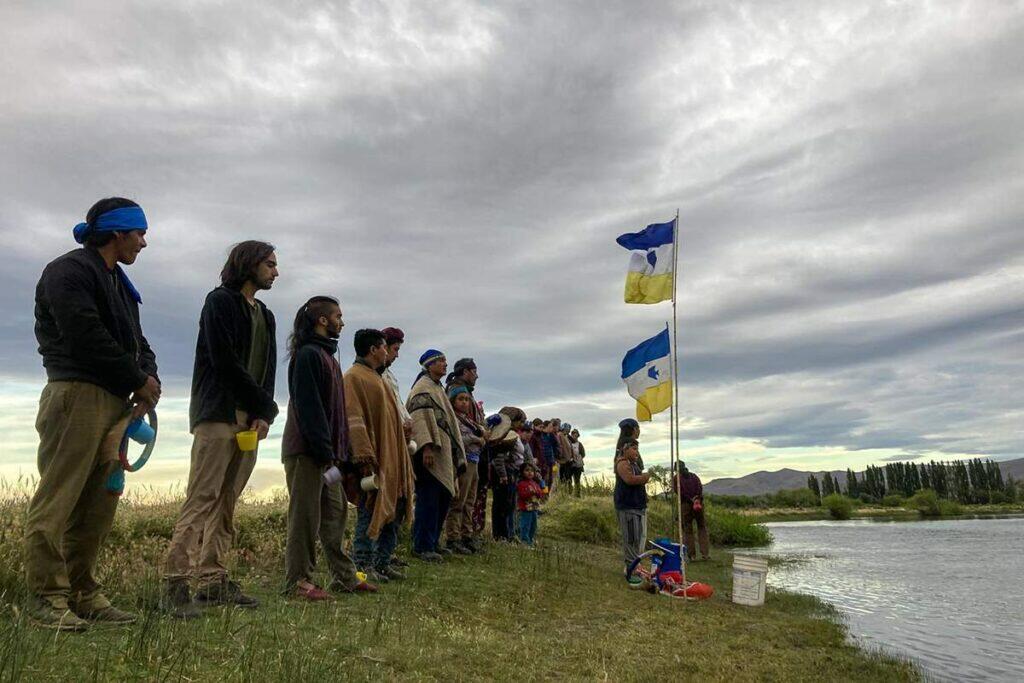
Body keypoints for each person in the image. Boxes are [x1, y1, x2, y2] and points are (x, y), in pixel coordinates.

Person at [26, 197, 159, 630]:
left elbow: (138, 342)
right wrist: (137, 379)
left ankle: (83, 592)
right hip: (77, 395)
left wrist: (148, 382)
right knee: (60, 496)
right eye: (138, 233)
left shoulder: (119, 283)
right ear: (118, 233)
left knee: (100, 502)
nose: (143, 241)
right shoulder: (69, 272)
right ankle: (47, 596)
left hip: (114, 400)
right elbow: (85, 335)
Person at [162, 241, 280, 617]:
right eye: (270, 264)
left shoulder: (265, 314)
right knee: (203, 496)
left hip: (250, 417)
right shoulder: (219, 302)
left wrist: (264, 412)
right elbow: (223, 359)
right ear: (249, 264)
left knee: (228, 499)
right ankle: (174, 583)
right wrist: (263, 403)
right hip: (217, 413)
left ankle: (213, 580)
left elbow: (268, 369)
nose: (276, 272)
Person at [279, 300, 377, 600]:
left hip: (327, 457)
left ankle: (344, 577)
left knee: (335, 514)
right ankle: (298, 582)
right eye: (338, 316)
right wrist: (325, 451)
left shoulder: (327, 357)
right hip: (307, 455)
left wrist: (340, 455)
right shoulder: (308, 356)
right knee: (305, 516)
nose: (342, 322)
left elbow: (336, 414)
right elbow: (309, 410)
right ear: (322, 320)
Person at [346, 329, 415, 582]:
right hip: (374, 459)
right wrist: (364, 458)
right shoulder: (354, 377)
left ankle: (383, 562)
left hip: (393, 456)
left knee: (394, 509)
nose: (387, 352)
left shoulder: (378, 378)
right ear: (373, 349)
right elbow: (354, 419)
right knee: (370, 509)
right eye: (385, 347)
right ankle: (362, 565)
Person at [407, 350, 466, 561]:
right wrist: (427, 447)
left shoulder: (437, 387)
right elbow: (419, 419)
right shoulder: (422, 387)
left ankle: (432, 542)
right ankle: (422, 545)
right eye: (440, 361)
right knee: (429, 499)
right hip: (430, 453)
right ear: (429, 364)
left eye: (445, 361)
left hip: (443, 452)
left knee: (442, 498)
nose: (445, 364)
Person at [445, 385, 485, 554]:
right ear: (453, 401)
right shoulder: (452, 419)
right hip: (463, 462)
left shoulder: (469, 420)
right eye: (460, 399)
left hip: (474, 462)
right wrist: (476, 439)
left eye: (467, 399)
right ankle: (453, 537)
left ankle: (466, 534)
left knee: (470, 501)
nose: (464, 402)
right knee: (458, 501)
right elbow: (458, 438)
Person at [614, 439, 650, 586]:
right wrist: (645, 477)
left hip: (636, 506)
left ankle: (635, 566)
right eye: (634, 449)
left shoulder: (633, 464)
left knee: (636, 539)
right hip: (627, 507)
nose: (637, 452)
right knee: (630, 539)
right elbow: (629, 480)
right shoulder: (623, 464)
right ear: (626, 449)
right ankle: (630, 569)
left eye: (637, 449)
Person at [484, 413, 517, 541]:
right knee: (501, 506)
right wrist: (503, 475)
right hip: (501, 476)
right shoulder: (501, 438)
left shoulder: (509, 435)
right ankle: (500, 534)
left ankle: (505, 533)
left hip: (507, 473)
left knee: (507, 505)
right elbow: (498, 458)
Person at [674, 461, 710, 561]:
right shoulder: (694, 476)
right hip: (698, 504)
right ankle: (705, 554)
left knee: (688, 530)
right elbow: (700, 488)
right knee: (702, 528)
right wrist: (697, 499)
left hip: (686, 505)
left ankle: (692, 556)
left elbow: (679, 492)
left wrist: (691, 500)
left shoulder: (676, 478)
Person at [380, 327, 412, 426]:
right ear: (385, 348)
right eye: (395, 349)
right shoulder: (374, 375)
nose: (397, 355)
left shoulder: (390, 376)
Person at [516, 463, 543, 547]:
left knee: (533, 525)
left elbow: (540, 493)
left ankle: (530, 540)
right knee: (525, 525)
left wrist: (538, 493)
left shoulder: (535, 483)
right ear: (522, 472)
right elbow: (522, 495)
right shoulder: (521, 484)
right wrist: (530, 492)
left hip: (534, 508)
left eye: (531, 471)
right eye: (527, 470)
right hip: (526, 508)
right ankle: (524, 541)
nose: (530, 472)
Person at [567, 428, 586, 497]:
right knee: (569, 480)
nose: (575, 436)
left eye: (576, 435)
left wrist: (578, 458)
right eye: (573, 435)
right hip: (570, 464)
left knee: (577, 480)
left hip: (578, 465)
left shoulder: (579, 444)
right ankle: (569, 494)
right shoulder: (568, 443)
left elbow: (583, 454)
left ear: (578, 436)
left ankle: (577, 495)